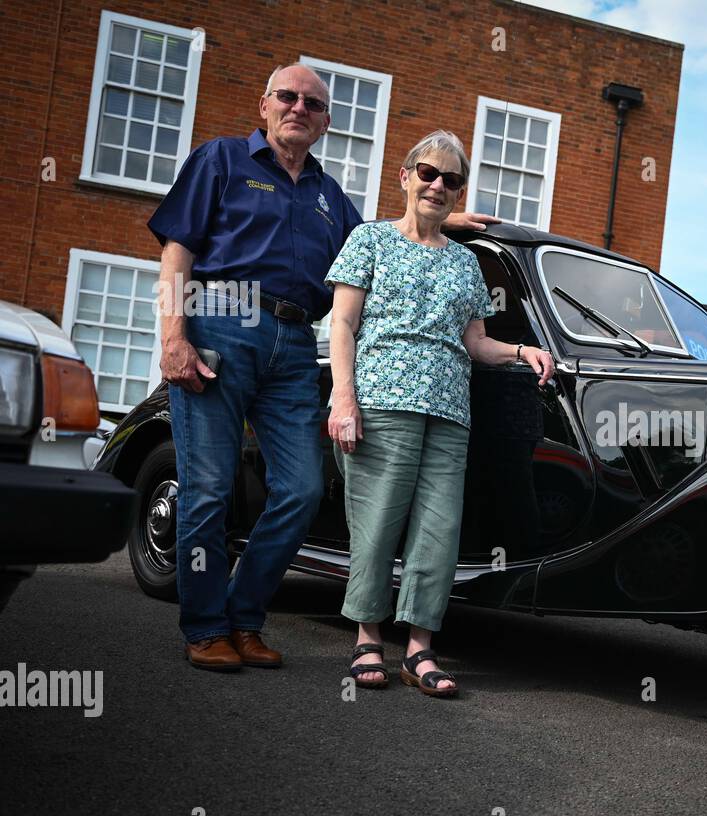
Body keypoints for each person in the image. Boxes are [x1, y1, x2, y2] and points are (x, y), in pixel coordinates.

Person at [149, 66, 494, 671]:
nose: (299, 108)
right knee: (206, 490)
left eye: (312, 103)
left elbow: (390, 243)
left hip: (293, 340)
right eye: (288, 96)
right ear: (265, 104)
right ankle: (206, 627)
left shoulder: (328, 195)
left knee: (303, 489)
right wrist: (174, 335)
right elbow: (178, 248)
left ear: (325, 121)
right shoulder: (222, 160)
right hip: (221, 324)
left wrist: (448, 218)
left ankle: (245, 618)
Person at [326, 130, 554, 696]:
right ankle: (366, 638)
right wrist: (343, 398)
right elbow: (342, 324)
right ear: (405, 177)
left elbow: (476, 344)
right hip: (381, 403)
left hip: (450, 414)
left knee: (438, 532)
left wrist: (521, 351)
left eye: (450, 179)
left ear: (458, 192)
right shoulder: (370, 239)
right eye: (428, 173)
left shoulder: (465, 265)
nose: (437, 185)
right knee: (377, 524)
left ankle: (421, 649)